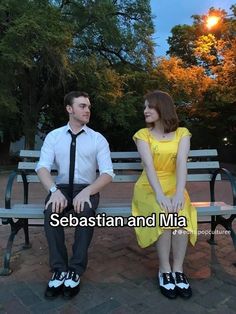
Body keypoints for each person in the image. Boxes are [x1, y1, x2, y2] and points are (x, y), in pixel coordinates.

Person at [36, 91, 114, 299]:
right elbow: (42, 168)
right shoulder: (54, 136)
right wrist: (53, 191)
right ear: (69, 109)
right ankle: (59, 270)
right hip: (60, 188)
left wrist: (88, 191)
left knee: (86, 212)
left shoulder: (97, 139)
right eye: (82, 106)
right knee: (51, 212)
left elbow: (107, 173)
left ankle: (75, 271)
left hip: (86, 188)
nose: (87, 110)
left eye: (88, 106)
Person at [132, 90, 197, 299]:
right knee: (162, 212)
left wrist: (179, 194)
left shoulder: (182, 134)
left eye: (149, 106)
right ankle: (165, 270)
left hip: (174, 183)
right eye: (144, 107)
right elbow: (149, 166)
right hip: (149, 186)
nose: (145, 111)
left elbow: (181, 163)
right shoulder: (142, 135)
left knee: (180, 214)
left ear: (162, 107)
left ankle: (178, 270)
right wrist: (159, 195)